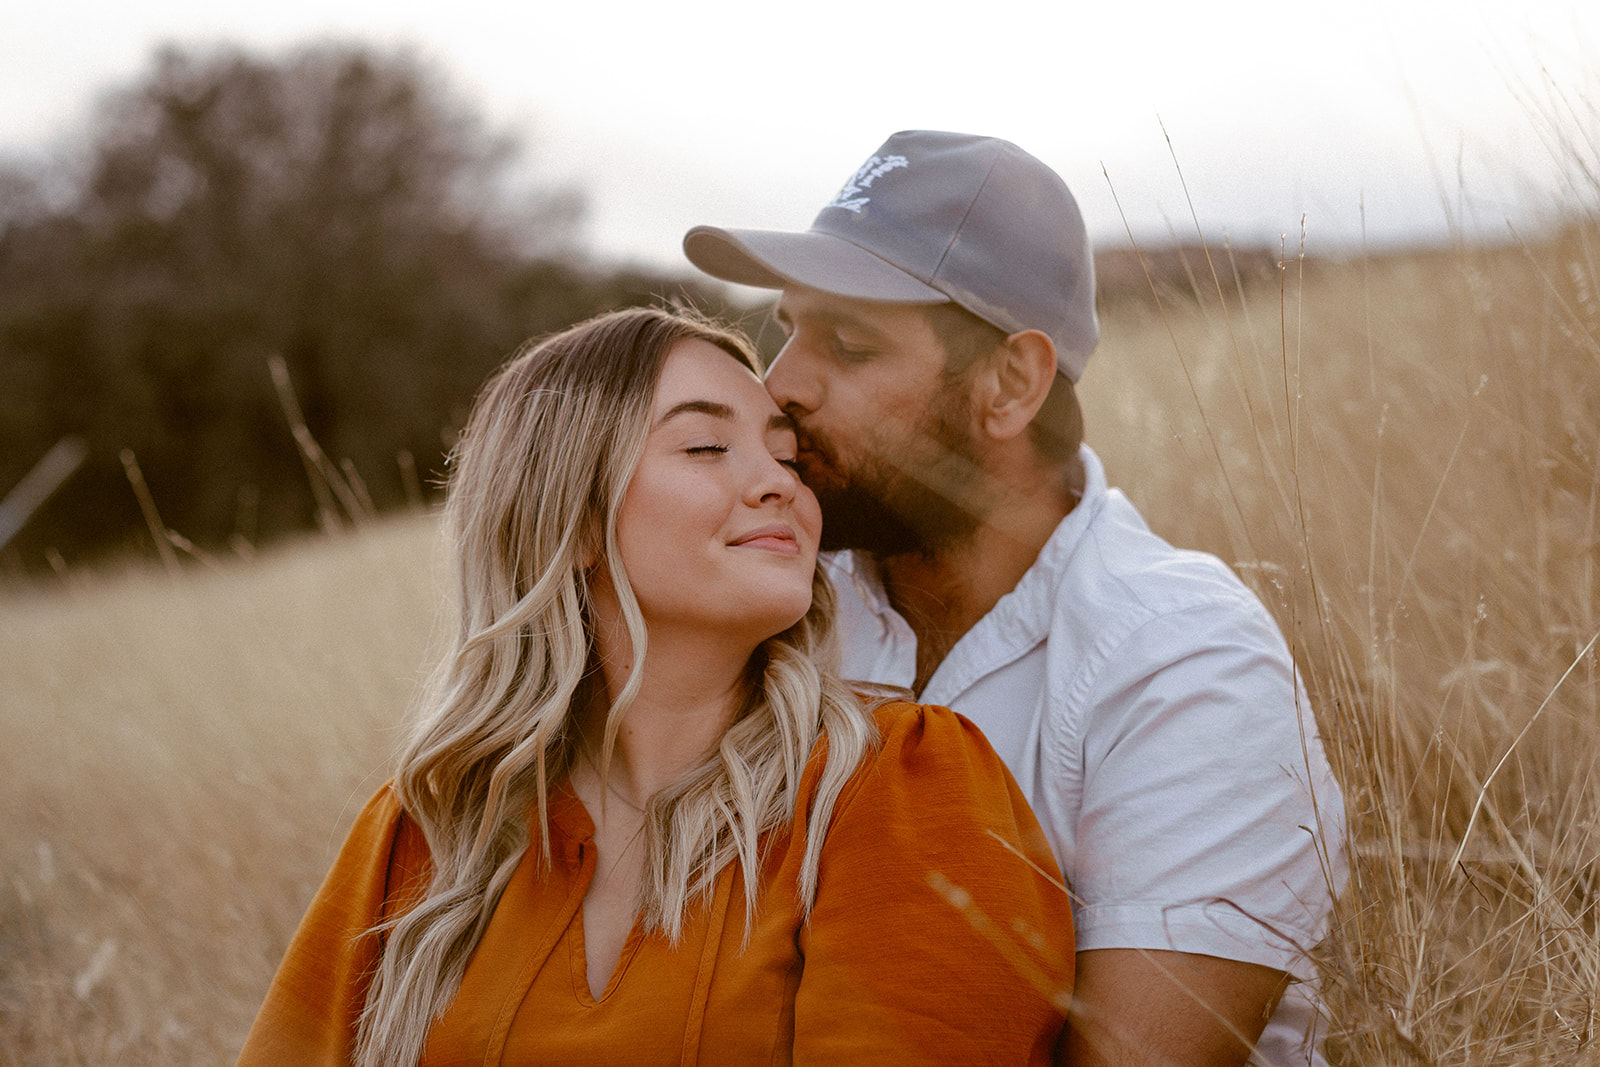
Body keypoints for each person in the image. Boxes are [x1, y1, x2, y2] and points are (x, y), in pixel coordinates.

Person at [236, 307, 1074, 1066]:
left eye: (788, 454)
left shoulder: (895, 786)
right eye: (707, 447)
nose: (782, 481)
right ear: (567, 519)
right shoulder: (427, 830)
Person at [684, 130, 1348, 1067]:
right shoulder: (782, 606)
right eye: (786, 328)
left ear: (1011, 384)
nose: (780, 384)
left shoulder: (1184, 659)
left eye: (849, 342)